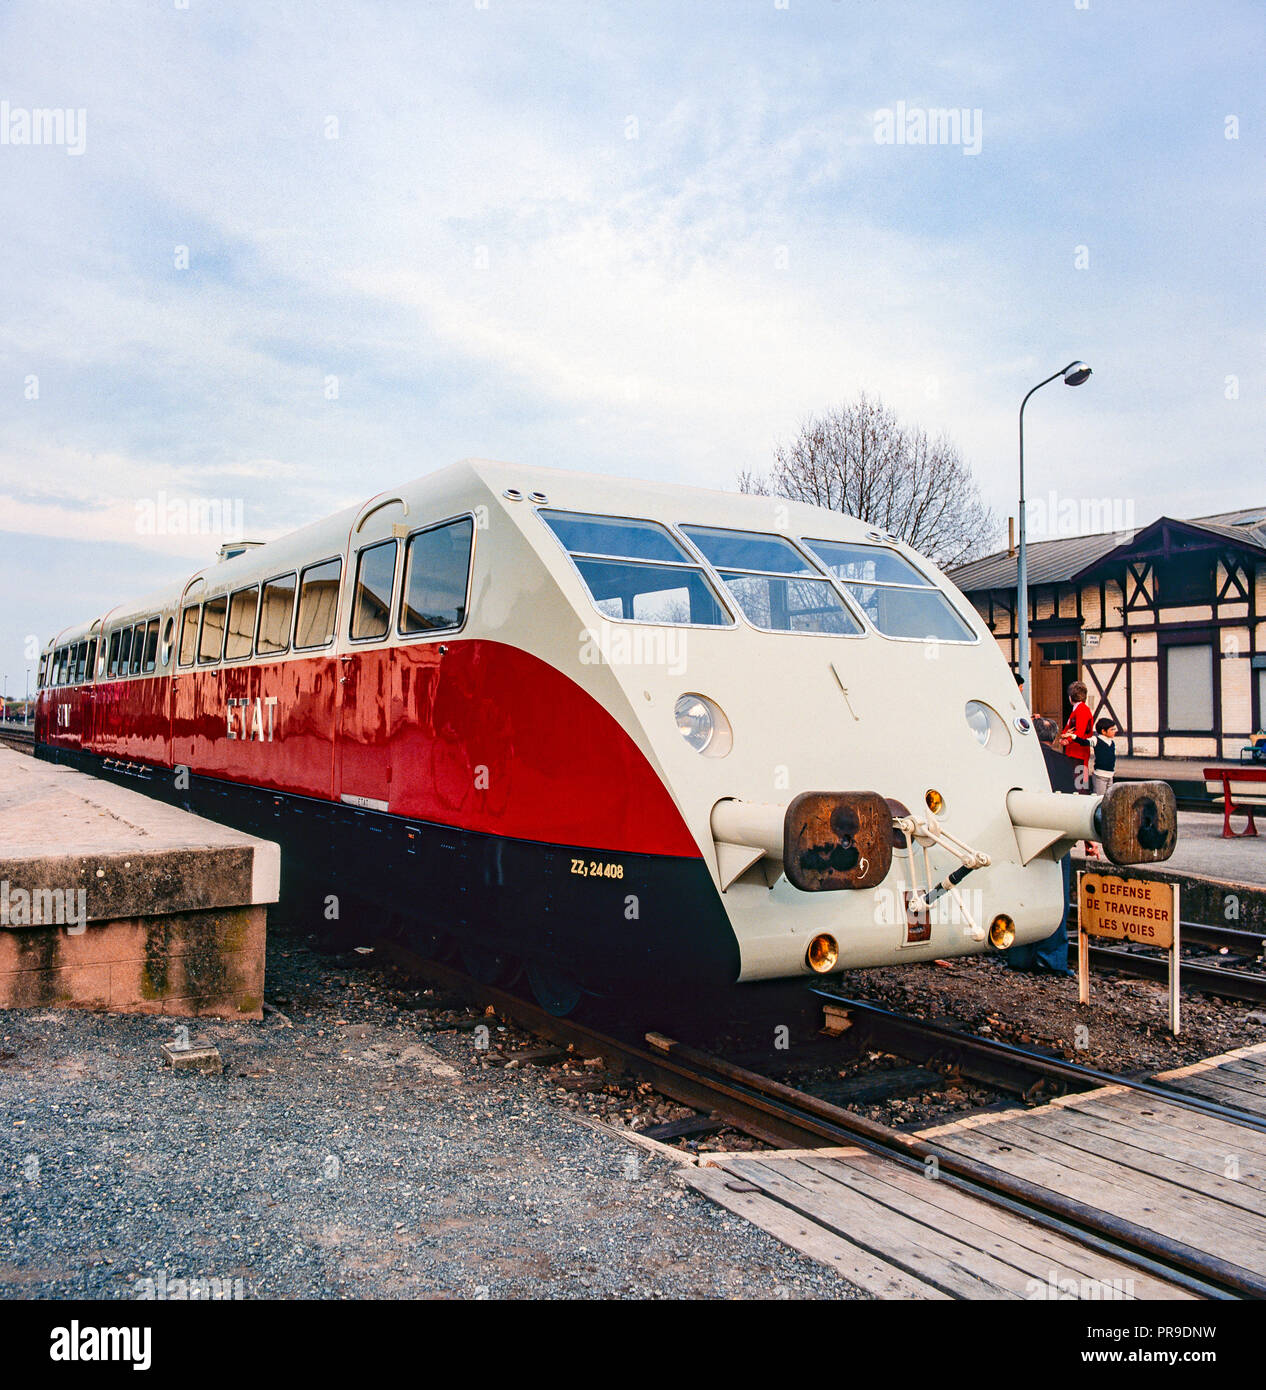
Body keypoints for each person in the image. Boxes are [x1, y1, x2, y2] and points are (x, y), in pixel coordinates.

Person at [1001, 715, 1074, 975]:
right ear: (1054, 738)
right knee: (1057, 899)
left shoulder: (1018, 764)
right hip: (1058, 841)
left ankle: (1019, 955)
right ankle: (1052, 959)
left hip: (1020, 839)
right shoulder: (1071, 764)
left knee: (1021, 895)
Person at [1090, 717, 1117, 796]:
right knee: (1100, 798)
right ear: (1103, 731)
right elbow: (1084, 741)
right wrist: (1073, 737)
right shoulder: (1096, 740)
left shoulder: (1112, 742)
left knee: (1109, 798)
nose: (1114, 731)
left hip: (1110, 775)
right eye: (1112, 729)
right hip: (1100, 776)